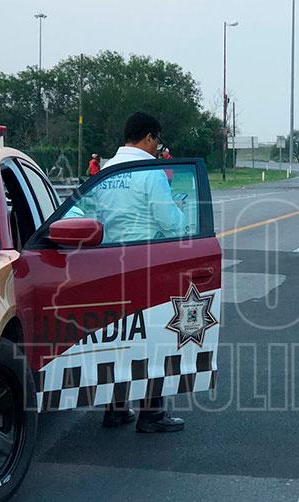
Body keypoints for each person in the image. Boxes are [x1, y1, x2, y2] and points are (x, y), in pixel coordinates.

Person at [98, 112, 186, 433]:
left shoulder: (106, 170)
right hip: (146, 266)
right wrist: (180, 211)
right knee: (153, 341)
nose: (157, 147)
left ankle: (116, 409)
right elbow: (170, 223)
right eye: (157, 141)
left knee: (119, 340)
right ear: (149, 137)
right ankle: (152, 413)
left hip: (107, 267)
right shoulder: (150, 172)